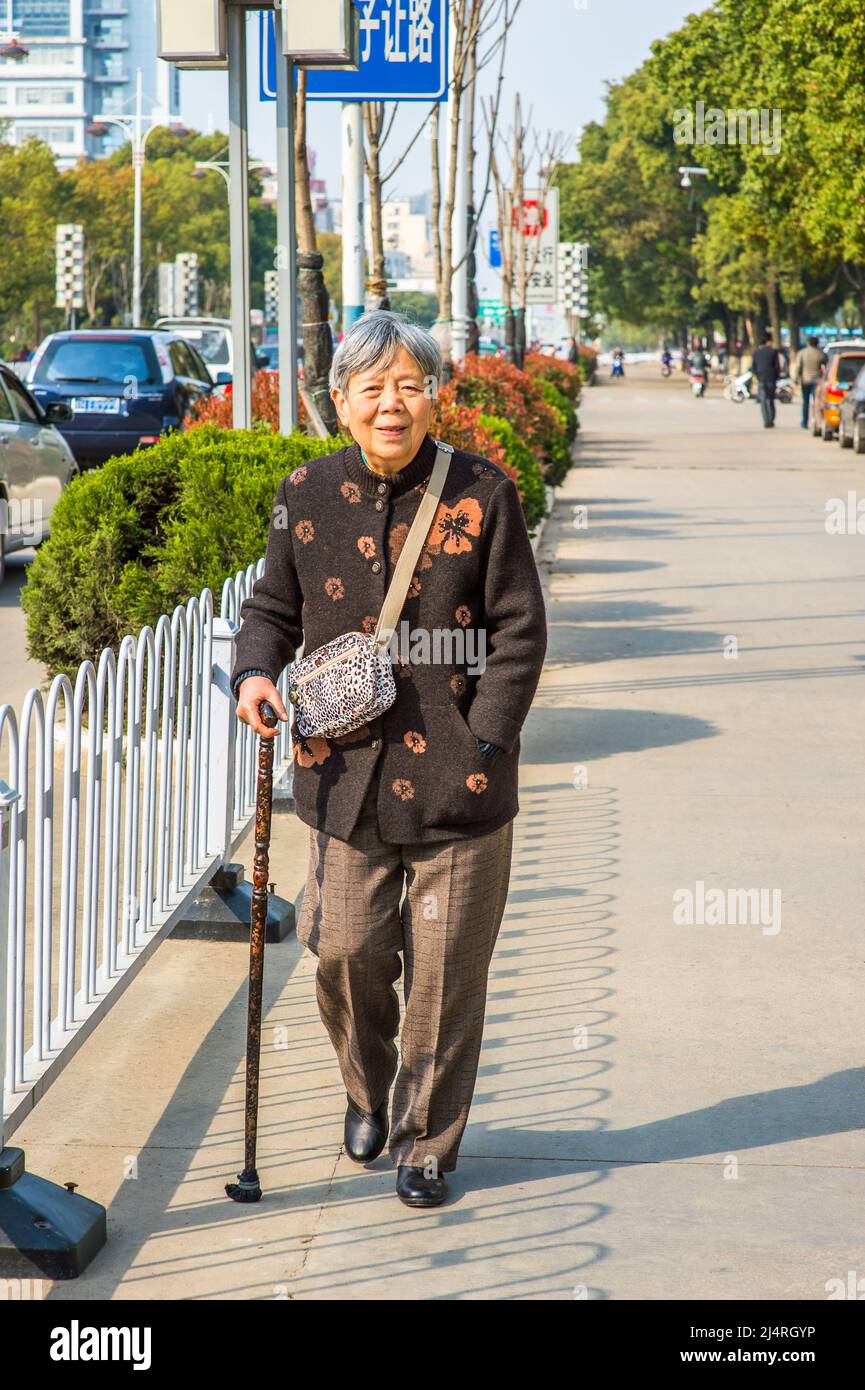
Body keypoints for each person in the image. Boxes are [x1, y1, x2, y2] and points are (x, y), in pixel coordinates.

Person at [230, 310, 548, 1209]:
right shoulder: (306, 493)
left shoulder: (482, 493)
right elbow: (271, 611)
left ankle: (424, 1143)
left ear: (434, 395)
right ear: (339, 401)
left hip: (460, 781)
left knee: (446, 978)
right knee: (343, 953)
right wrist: (255, 674)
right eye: (371, 388)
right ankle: (366, 1089)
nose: (390, 405)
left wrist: (486, 740)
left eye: (409, 385)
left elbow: (519, 630)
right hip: (342, 777)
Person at [794, 335, 828, 430]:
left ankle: (805, 422)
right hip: (817, 380)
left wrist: (796, 379)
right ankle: (816, 421)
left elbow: (798, 367)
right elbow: (827, 366)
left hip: (805, 380)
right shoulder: (820, 353)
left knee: (805, 402)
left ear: (808, 343)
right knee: (816, 402)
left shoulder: (802, 353)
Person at [751, 330, 781, 428]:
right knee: (770, 400)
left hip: (761, 379)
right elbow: (777, 367)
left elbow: (753, 367)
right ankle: (771, 419)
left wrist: (758, 376)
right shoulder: (773, 352)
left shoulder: (757, 352)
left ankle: (766, 420)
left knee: (763, 401)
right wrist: (776, 377)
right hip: (771, 379)